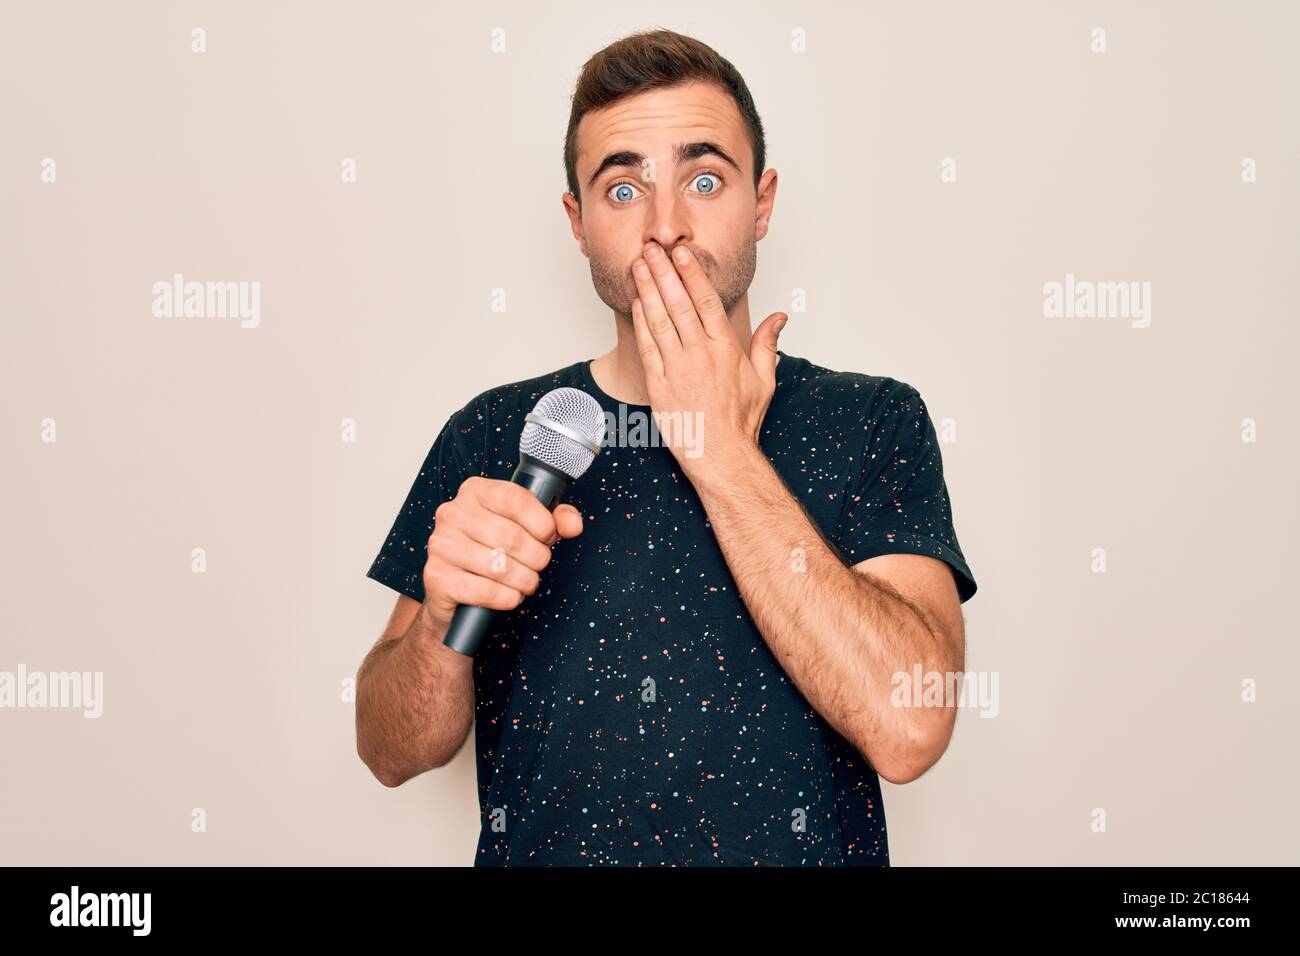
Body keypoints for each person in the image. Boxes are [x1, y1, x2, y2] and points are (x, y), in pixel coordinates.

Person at [356, 28, 977, 866]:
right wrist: (437, 622)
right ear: (576, 222)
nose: (666, 226)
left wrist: (718, 449)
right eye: (623, 190)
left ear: (761, 202)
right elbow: (391, 751)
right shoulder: (498, 431)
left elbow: (909, 730)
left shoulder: (872, 419)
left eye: (705, 178)